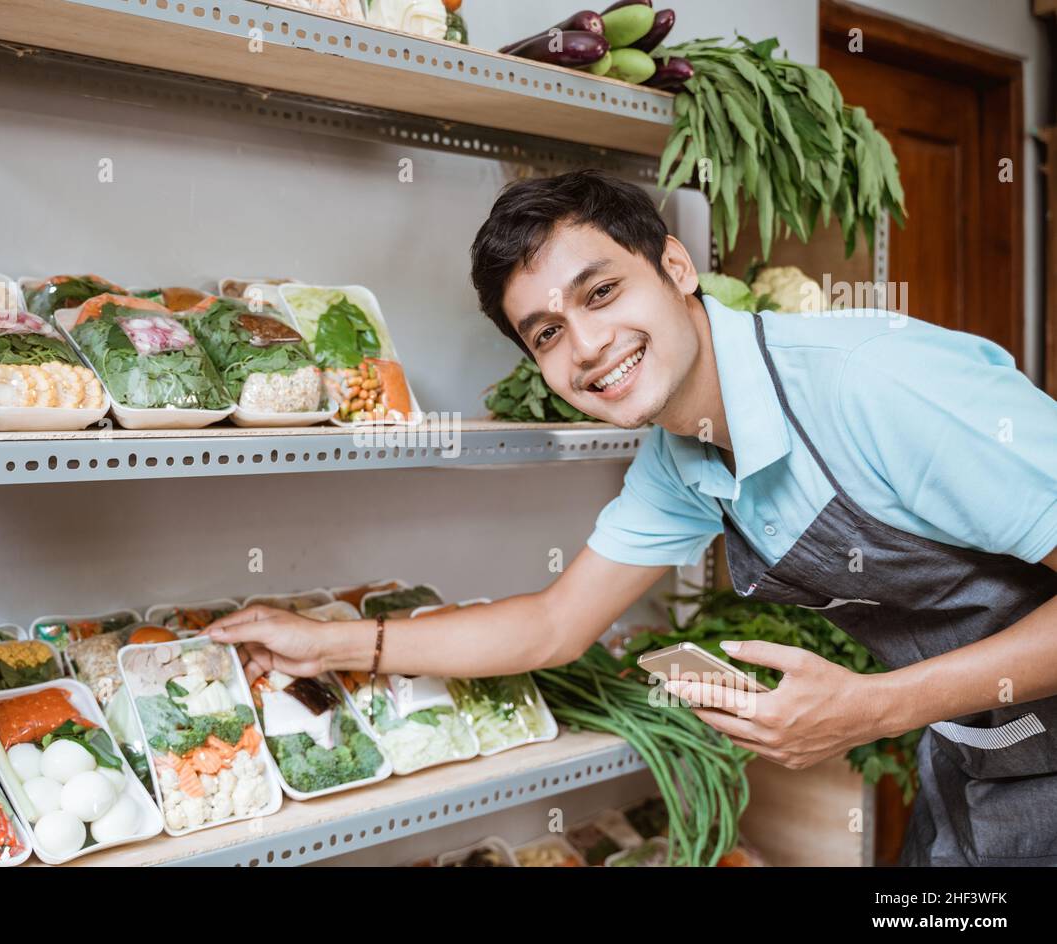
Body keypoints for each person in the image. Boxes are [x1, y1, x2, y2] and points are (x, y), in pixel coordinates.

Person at [208, 170, 1057, 866]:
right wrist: (330, 641)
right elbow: (551, 625)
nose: (584, 345)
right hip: (984, 766)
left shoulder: (873, 383)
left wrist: (874, 709)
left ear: (678, 269)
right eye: (546, 333)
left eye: (603, 291)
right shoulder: (680, 457)